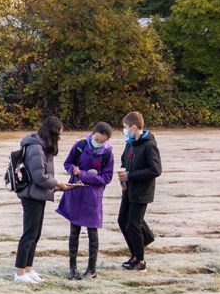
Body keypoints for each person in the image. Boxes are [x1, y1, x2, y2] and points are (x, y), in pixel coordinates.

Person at [14, 117, 77, 283]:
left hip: (38, 194)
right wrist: (58, 184)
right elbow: (39, 177)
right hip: (31, 196)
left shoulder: (41, 146)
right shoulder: (36, 147)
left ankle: (28, 268)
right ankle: (19, 273)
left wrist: (57, 186)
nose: (59, 139)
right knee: (29, 234)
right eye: (59, 135)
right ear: (52, 133)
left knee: (36, 234)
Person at [56, 122, 115, 280]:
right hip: (76, 193)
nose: (100, 143)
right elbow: (67, 163)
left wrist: (83, 175)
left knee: (92, 232)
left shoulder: (108, 153)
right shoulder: (80, 145)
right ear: (93, 133)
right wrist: (72, 171)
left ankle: (91, 269)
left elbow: (107, 178)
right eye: (98, 139)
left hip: (92, 197)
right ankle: (72, 268)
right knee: (74, 231)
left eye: (103, 141)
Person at [117, 111, 162, 271]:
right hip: (128, 189)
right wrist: (123, 176)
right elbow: (124, 160)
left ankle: (140, 260)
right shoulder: (130, 143)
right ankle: (136, 252)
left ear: (134, 127)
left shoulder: (149, 145)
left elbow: (155, 169)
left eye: (126, 127)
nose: (124, 130)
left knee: (133, 225)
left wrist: (131, 176)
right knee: (123, 221)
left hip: (142, 191)